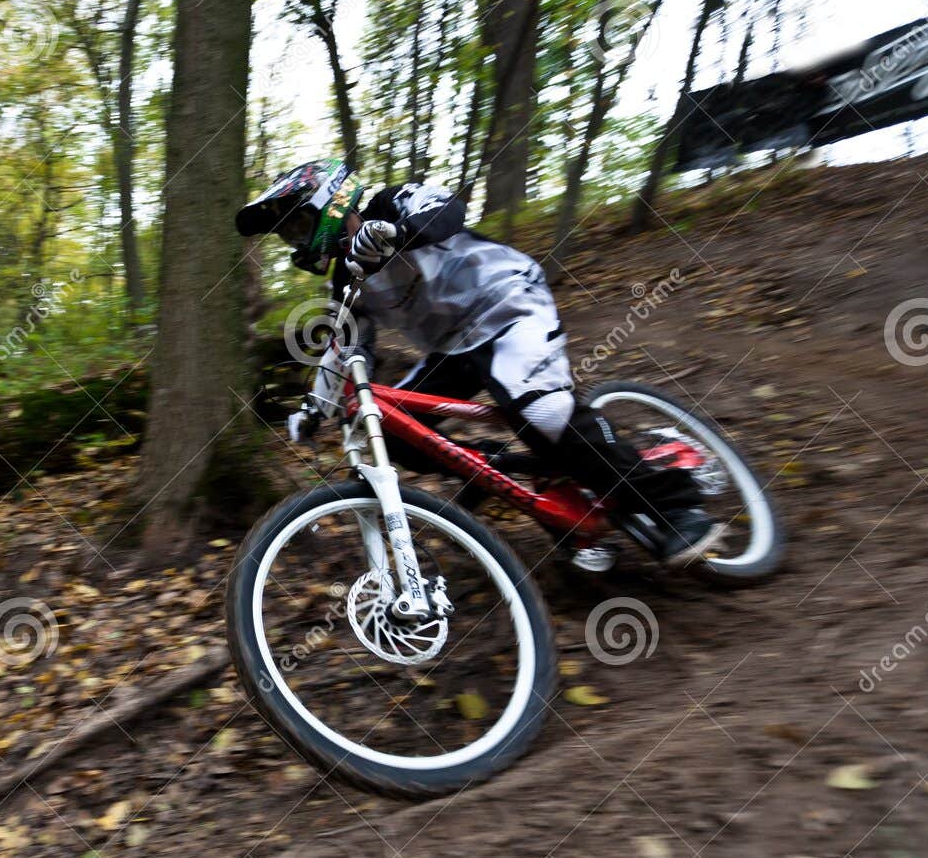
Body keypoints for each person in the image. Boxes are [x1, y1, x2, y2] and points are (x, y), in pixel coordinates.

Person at [235, 158, 723, 566]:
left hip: (509, 305)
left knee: (540, 410)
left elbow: (448, 211)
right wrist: (313, 408)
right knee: (395, 428)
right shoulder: (345, 280)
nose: (294, 239)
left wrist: (396, 231)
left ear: (330, 203)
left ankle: (676, 504)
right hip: (454, 347)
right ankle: (506, 469)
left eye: (297, 224)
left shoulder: (390, 202)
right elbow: (347, 345)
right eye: (286, 233)